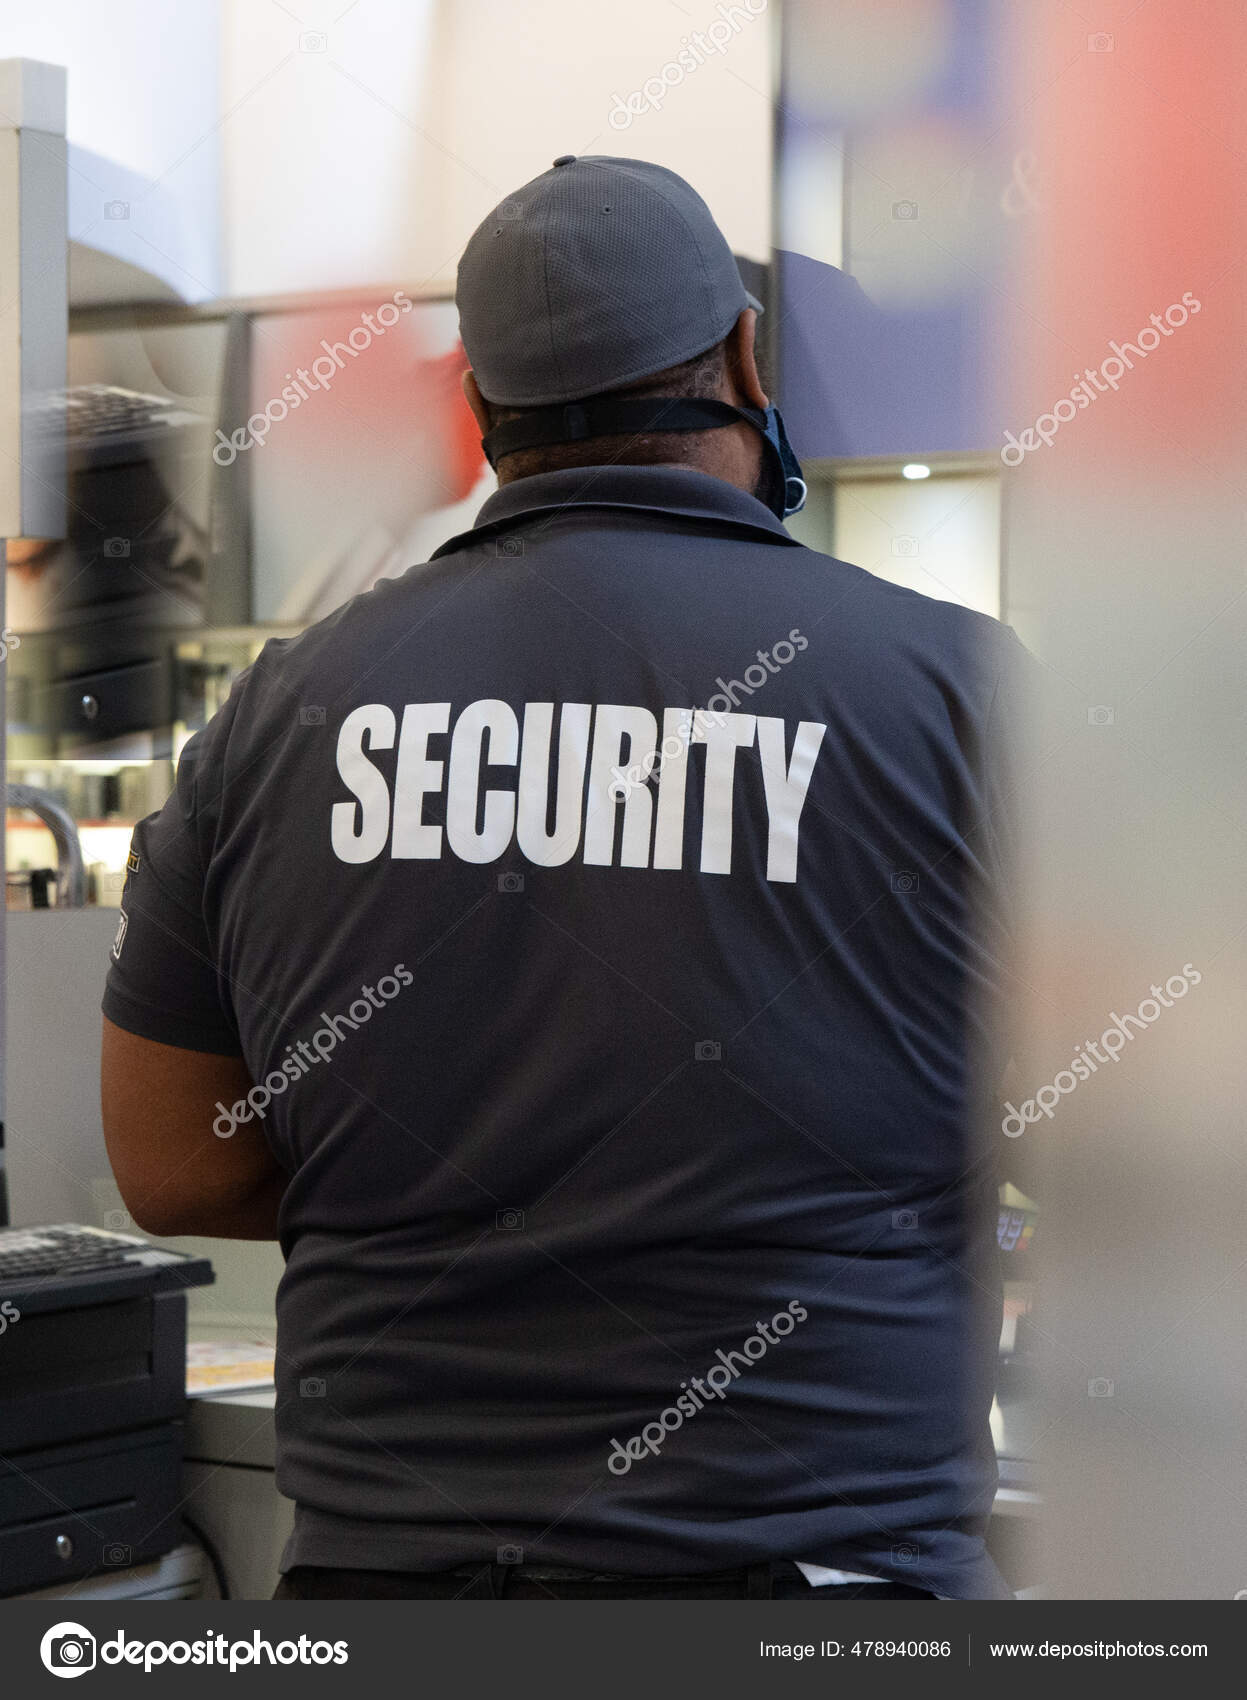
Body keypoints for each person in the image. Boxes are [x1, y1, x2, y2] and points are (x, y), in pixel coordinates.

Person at [101, 156, 1019, 1601]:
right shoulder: (958, 691)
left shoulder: (283, 713)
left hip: (395, 1586)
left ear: (480, 408)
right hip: (821, 1580)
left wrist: (488, 1196)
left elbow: (174, 1164)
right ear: (746, 359)